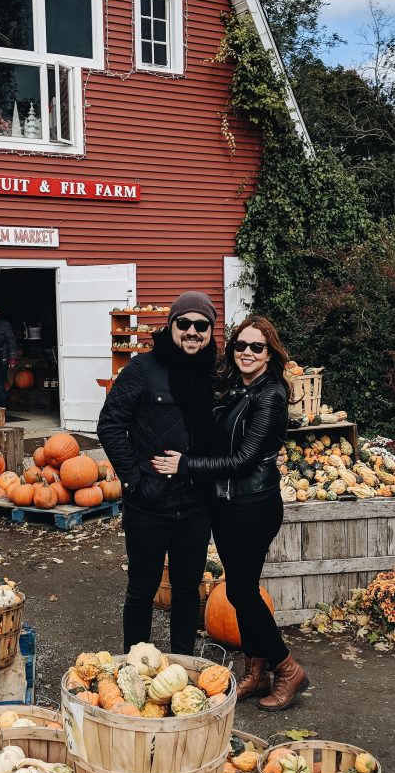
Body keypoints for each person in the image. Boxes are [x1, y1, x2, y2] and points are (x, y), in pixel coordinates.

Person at [152, 314, 310, 711]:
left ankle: (288, 669)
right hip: (224, 504)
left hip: (252, 505)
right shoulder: (236, 387)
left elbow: (243, 459)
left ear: (269, 353)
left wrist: (185, 465)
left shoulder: (270, 394)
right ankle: (255, 673)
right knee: (243, 591)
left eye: (257, 347)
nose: (248, 353)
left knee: (241, 591)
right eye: (241, 345)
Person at [97, 291, 218, 655]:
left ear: (211, 331)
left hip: (196, 503)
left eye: (201, 325)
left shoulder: (216, 372)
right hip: (149, 503)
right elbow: (110, 425)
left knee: (186, 588)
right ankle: (135, 662)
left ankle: (182, 662)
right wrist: (134, 480)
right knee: (142, 588)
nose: (192, 331)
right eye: (184, 324)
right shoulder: (142, 370)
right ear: (172, 326)